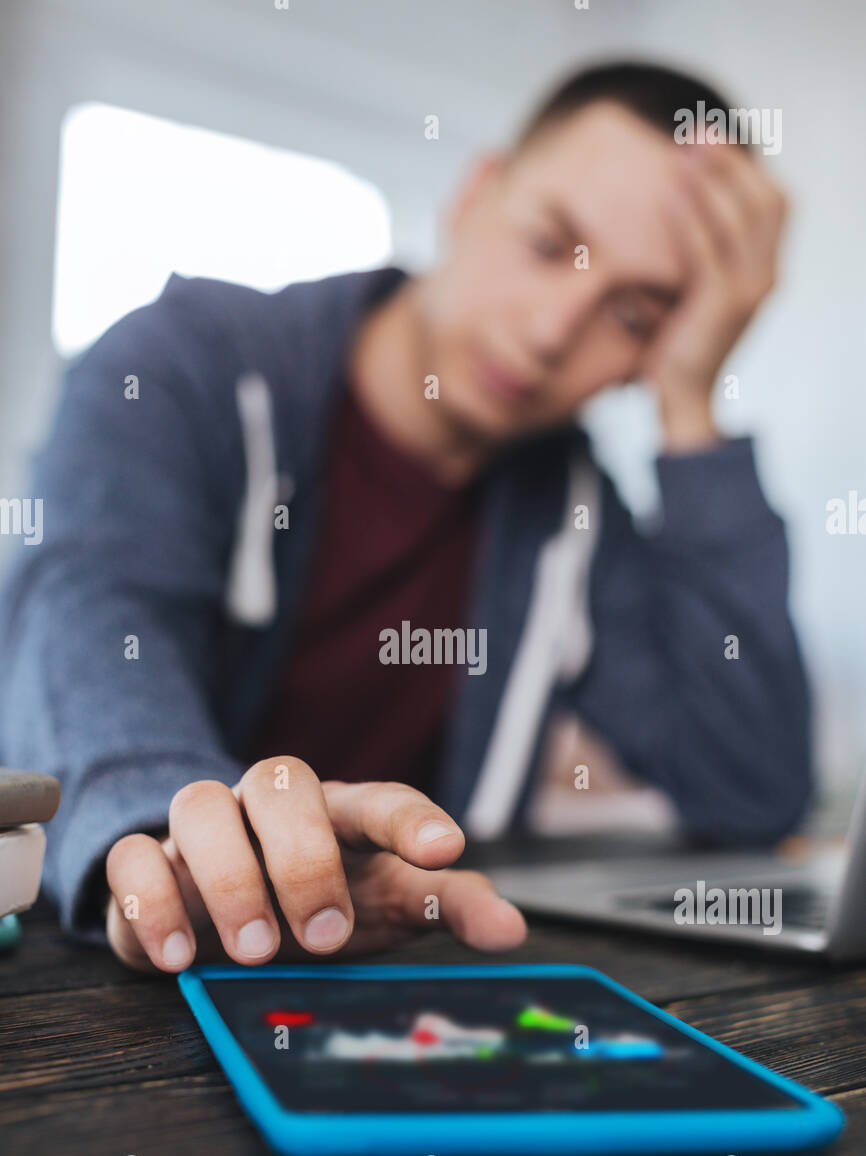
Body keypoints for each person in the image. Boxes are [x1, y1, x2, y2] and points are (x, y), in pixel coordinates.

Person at [0, 60, 810, 972]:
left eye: (631, 313)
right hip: (111, 980)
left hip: (367, 975)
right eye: (549, 244)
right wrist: (162, 831)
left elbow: (751, 787)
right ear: (473, 195)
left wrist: (691, 405)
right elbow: (91, 625)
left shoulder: (575, 510)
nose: (551, 331)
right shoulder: (177, 366)